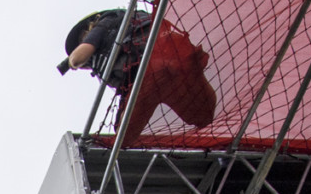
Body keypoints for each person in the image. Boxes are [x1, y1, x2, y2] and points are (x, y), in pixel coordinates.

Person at [57, 8, 216, 142]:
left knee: (123, 136)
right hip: (176, 60)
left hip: (148, 72)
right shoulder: (132, 19)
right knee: (202, 116)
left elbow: (78, 58)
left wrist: (71, 61)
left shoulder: (103, 25)